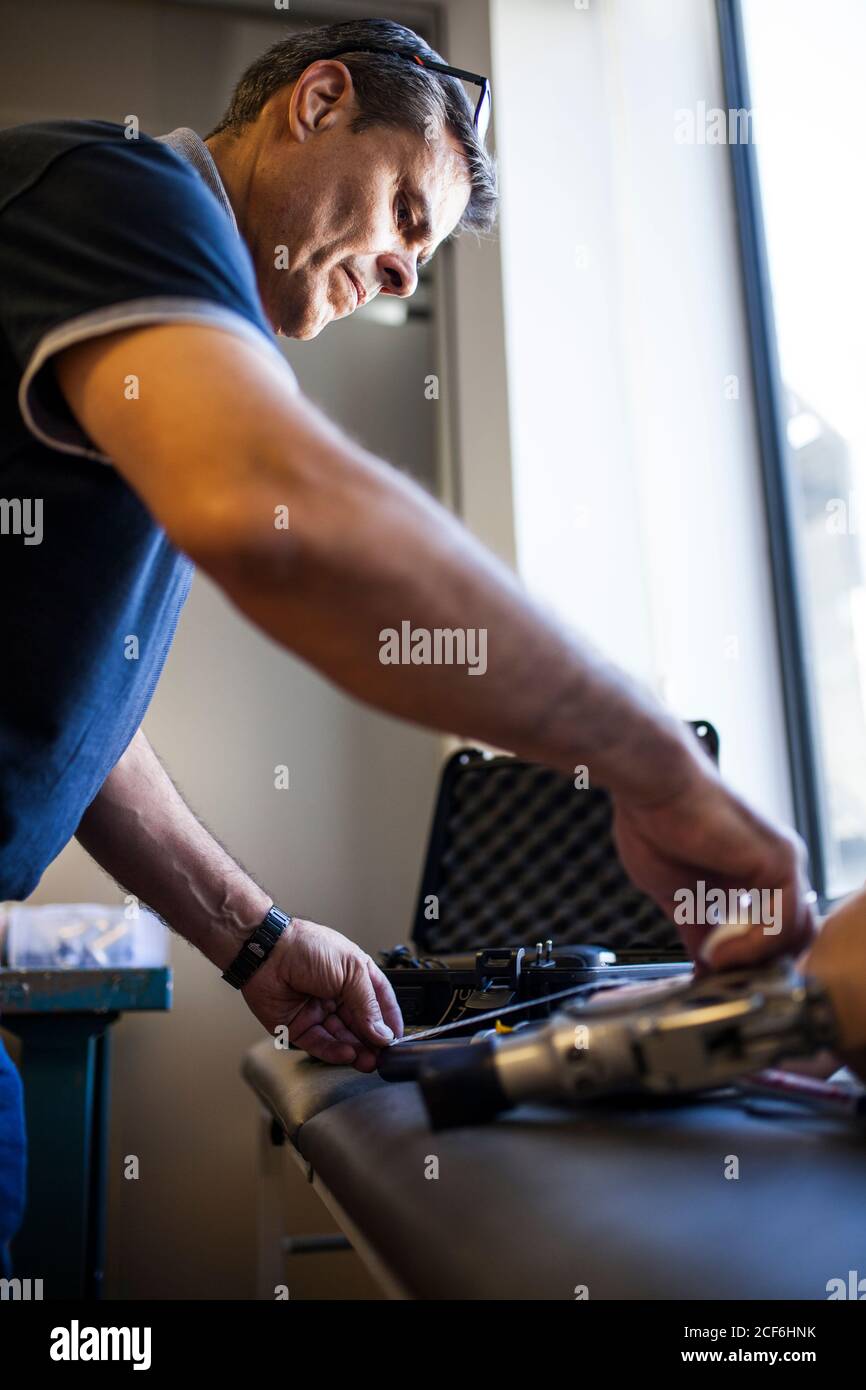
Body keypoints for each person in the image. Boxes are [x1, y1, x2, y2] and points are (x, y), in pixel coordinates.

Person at [0, 17, 830, 1260]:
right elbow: (286, 524)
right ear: (317, 101)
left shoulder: (148, 340)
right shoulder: (127, 192)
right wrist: (661, 770)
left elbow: (70, 725)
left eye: (421, 254)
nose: (400, 274)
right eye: (400, 211)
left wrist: (258, 938)